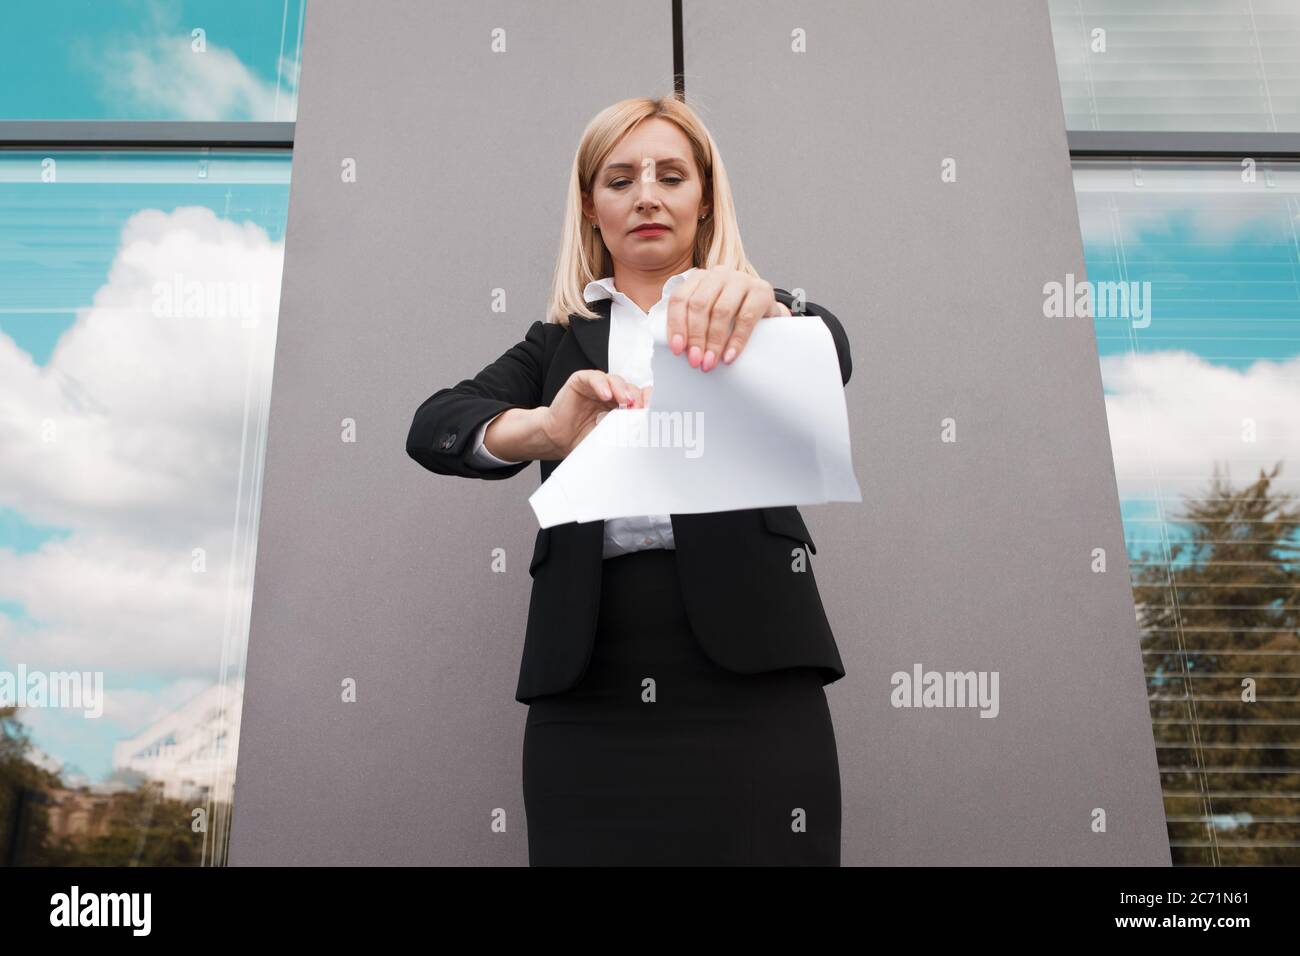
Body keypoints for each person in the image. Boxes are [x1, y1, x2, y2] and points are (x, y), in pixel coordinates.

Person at [405, 95, 852, 866]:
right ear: (591, 207)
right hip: (587, 683)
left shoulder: (755, 314)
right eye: (620, 180)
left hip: (757, 671)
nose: (646, 194)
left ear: (703, 199)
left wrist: (769, 303)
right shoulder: (556, 341)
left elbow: (834, 350)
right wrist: (545, 429)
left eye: (670, 176)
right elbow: (434, 426)